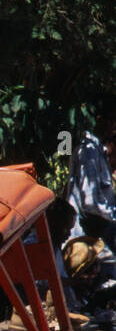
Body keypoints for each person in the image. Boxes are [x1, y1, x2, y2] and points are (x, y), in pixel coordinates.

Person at [64, 99, 116, 248]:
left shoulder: (99, 151)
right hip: (86, 238)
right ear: (100, 120)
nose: (114, 126)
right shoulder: (89, 151)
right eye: (112, 120)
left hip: (98, 234)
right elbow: (90, 202)